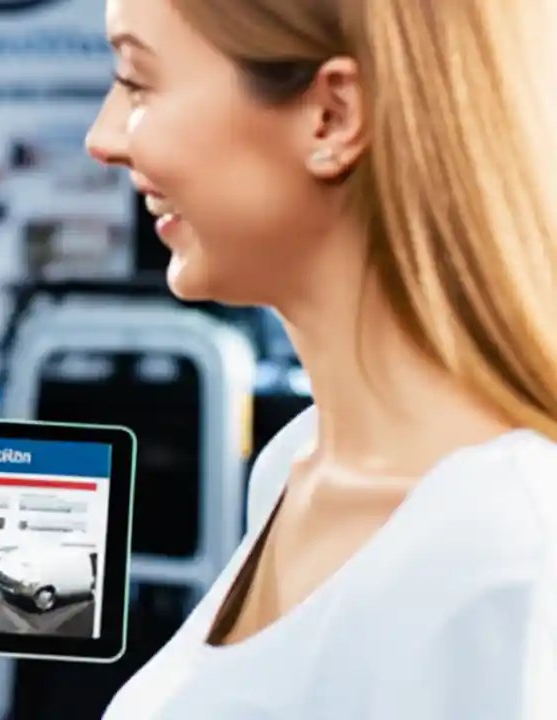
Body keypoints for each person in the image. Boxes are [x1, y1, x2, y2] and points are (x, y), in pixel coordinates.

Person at [86, 0, 557, 717]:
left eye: (139, 82)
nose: (104, 136)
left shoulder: (514, 557)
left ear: (331, 116)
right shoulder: (293, 464)